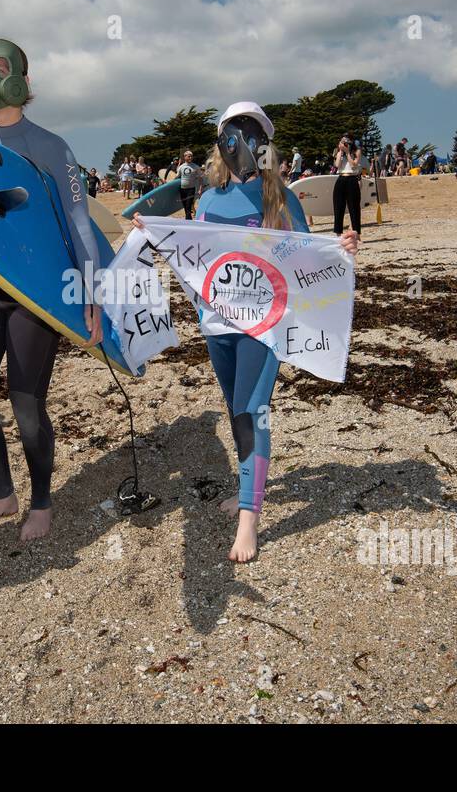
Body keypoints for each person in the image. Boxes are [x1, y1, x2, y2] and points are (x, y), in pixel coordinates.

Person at [138, 102, 356, 562]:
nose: (242, 143)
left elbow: (308, 254)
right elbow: (197, 258)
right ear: (221, 143)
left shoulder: (280, 197)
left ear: (264, 145)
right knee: (235, 407)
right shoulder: (210, 198)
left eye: (253, 134)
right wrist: (154, 232)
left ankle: (248, 520)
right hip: (217, 324)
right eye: (233, 134)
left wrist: (341, 247)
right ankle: (247, 485)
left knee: (250, 411)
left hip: (265, 323)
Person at [0, 38, 102, 542]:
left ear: (22, 75)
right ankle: (2, 494)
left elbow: (81, 224)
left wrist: (91, 294)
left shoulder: (52, 147)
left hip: (35, 292)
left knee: (26, 409)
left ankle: (40, 501)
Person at [332, 133, 362, 235]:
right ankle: (338, 232)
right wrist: (341, 151)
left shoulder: (356, 151)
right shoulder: (339, 152)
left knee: (354, 208)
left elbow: (353, 165)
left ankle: (357, 233)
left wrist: (348, 152)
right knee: (338, 207)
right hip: (341, 178)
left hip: (352, 179)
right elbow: (337, 165)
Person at [177, 149, 203, 218]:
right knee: (185, 206)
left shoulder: (196, 167)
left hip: (191, 189)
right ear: (185, 157)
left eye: (191, 156)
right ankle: (188, 219)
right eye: (189, 156)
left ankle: (188, 221)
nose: (190, 158)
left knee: (188, 206)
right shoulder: (181, 167)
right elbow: (176, 177)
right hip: (182, 189)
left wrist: (200, 188)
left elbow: (200, 178)